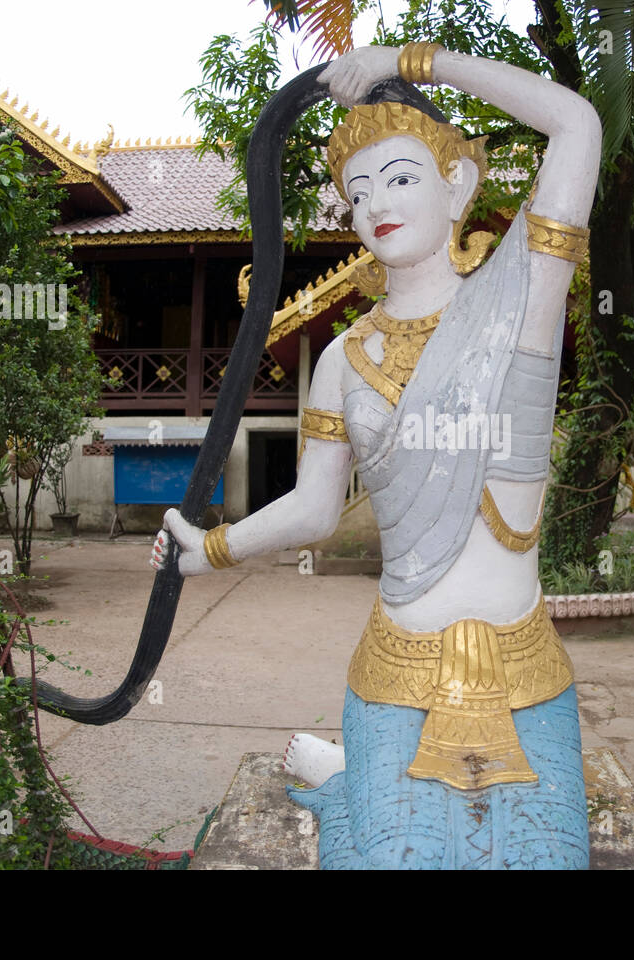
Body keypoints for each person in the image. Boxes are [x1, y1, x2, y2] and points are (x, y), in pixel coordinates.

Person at [151, 41, 601, 868]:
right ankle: (354, 783)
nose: (375, 205)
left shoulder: (521, 303)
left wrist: (414, 60)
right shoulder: (343, 358)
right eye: (357, 192)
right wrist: (209, 549)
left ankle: (343, 780)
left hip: (525, 672)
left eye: (399, 178)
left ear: (457, 185)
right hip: (395, 671)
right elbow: (318, 508)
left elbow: (576, 124)